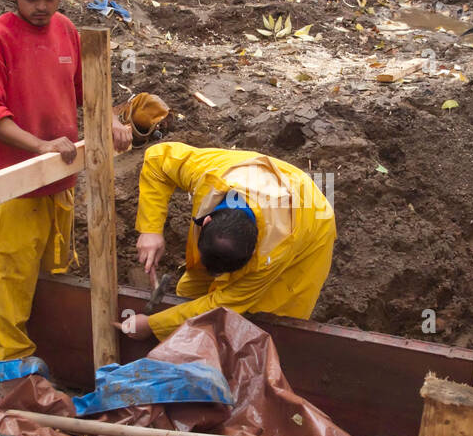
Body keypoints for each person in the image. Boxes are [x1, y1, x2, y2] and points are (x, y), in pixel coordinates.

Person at [0, 0, 133, 361]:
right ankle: (8, 361)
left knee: (51, 268)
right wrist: (39, 145)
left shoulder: (67, 32)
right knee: (10, 275)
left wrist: (111, 119)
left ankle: (48, 344)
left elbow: (86, 90)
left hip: (62, 178)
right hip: (18, 185)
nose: (41, 6)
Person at [123, 143, 337, 341]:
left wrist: (153, 324)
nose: (216, 275)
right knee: (196, 284)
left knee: (265, 320)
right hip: (259, 179)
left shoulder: (274, 252)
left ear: (254, 252)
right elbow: (157, 159)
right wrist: (150, 230)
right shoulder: (208, 173)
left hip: (311, 217)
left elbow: (225, 303)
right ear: (207, 221)